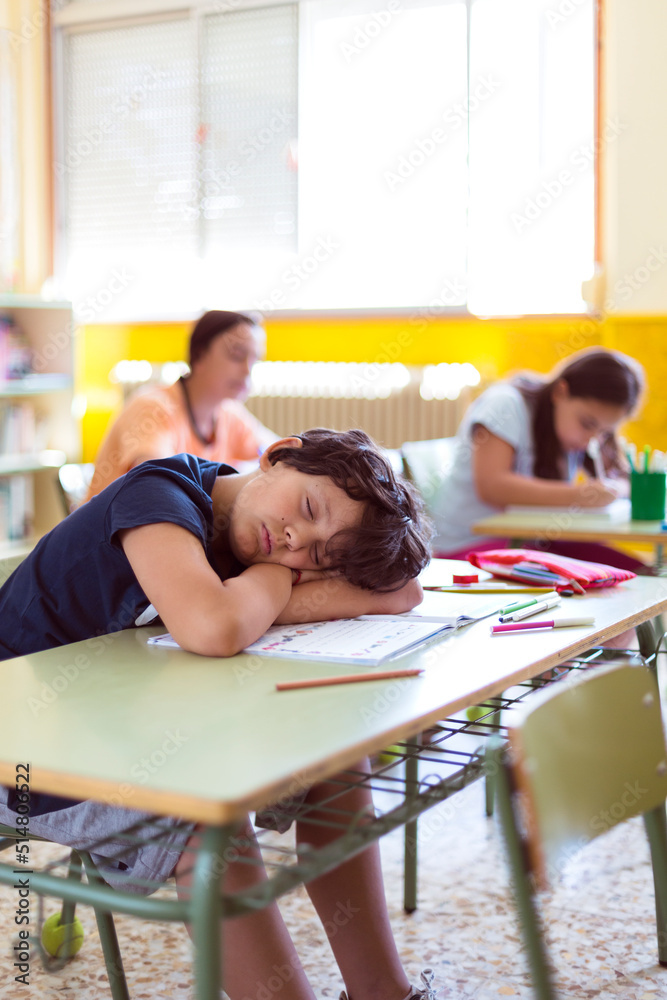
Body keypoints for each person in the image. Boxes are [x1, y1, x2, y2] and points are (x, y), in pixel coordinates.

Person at [0, 429, 436, 1000]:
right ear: (278, 453)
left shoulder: (253, 538)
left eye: (319, 557)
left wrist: (254, 599)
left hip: (136, 721)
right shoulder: (160, 496)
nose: (294, 541)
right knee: (206, 819)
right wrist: (275, 581)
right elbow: (215, 627)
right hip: (34, 750)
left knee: (336, 762)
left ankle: (383, 993)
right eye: (307, 508)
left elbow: (402, 593)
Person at [430, 347, 646, 570]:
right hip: (470, 547)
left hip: (533, 541)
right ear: (561, 392)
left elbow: (621, 477)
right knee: (590, 577)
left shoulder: (579, 431)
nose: (592, 439)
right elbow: (493, 487)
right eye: (587, 424)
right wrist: (582, 495)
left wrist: (615, 488)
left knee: (641, 573)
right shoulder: (505, 404)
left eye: (604, 432)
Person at [85, 310, 276, 501]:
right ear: (199, 356)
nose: (247, 370)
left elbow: (277, 453)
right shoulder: (152, 409)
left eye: (255, 360)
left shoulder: (228, 414)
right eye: (236, 355)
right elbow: (159, 484)